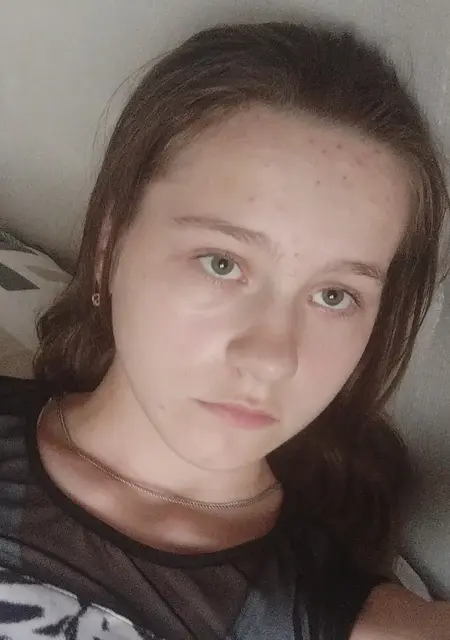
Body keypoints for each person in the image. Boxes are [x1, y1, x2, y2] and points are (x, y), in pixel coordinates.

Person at [0, 18, 449, 640]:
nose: (271, 357)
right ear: (109, 247)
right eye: (222, 263)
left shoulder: (338, 616)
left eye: (334, 295)